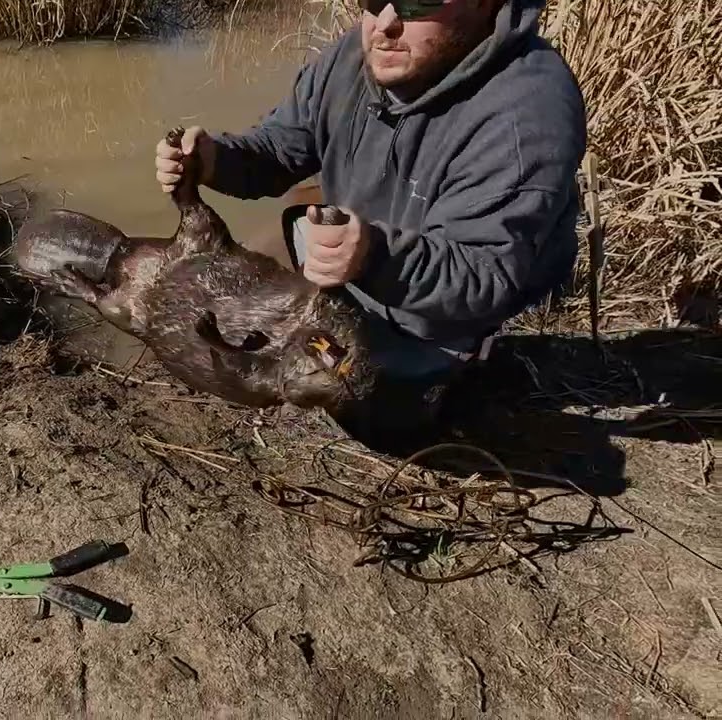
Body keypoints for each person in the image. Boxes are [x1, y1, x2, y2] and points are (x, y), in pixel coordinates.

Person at [153, 0, 587, 451]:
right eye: (372, 1)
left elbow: (482, 278)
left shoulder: (526, 111)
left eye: (417, 2)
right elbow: (283, 147)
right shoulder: (361, 55)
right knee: (213, 293)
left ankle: (468, 374)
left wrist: (373, 256)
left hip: (444, 318)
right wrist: (217, 161)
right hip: (354, 249)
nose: (386, 22)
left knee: (366, 408)